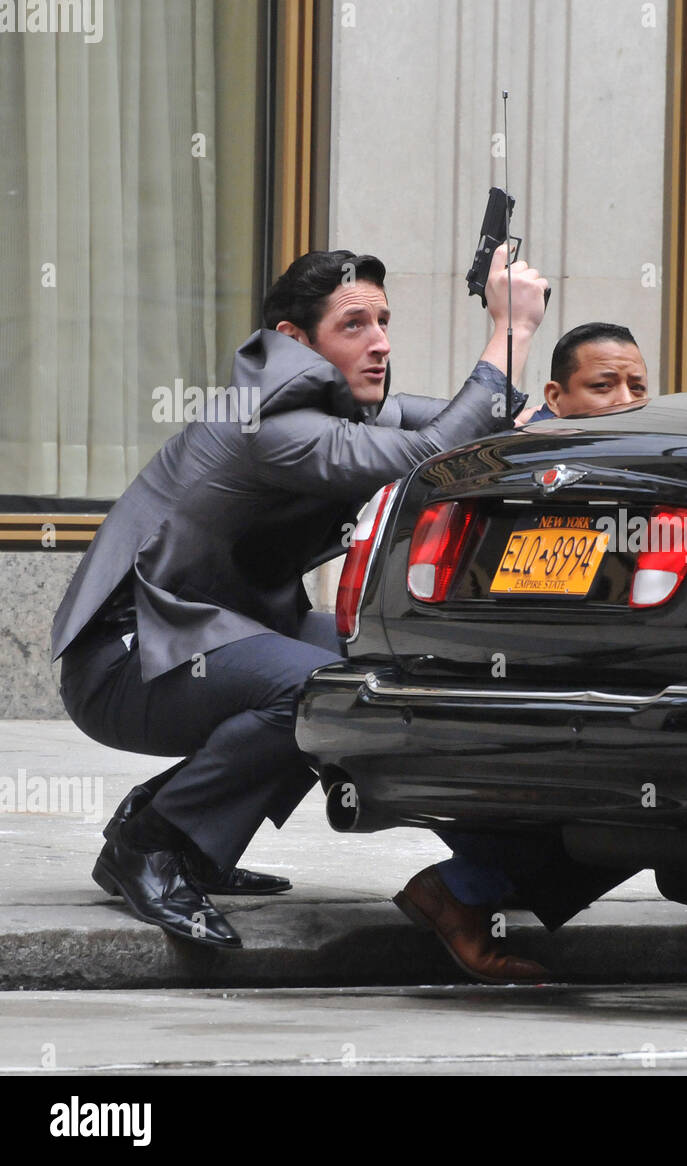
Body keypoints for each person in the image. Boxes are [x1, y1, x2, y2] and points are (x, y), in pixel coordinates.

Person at [51, 244, 548, 950]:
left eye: (383, 321)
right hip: (129, 662)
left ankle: (191, 840)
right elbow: (428, 451)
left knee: (381, 666)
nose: (379, 343)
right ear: (293, 342)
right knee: (320, 689)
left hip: (203, 643)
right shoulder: (269, 428)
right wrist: (511, 333)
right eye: (353, 326)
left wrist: (581, 426)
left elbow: (472, 434)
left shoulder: (338, 417)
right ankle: (152, 839)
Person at [393, 321, 651, 984]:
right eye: (604, 385)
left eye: (638, 385)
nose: (625, 398)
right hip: (483, 704)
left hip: (544, 711)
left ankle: (470, 887)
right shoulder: (521, 476)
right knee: (649, 789)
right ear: (555, 397)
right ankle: (465, 890)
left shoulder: (641, 484)